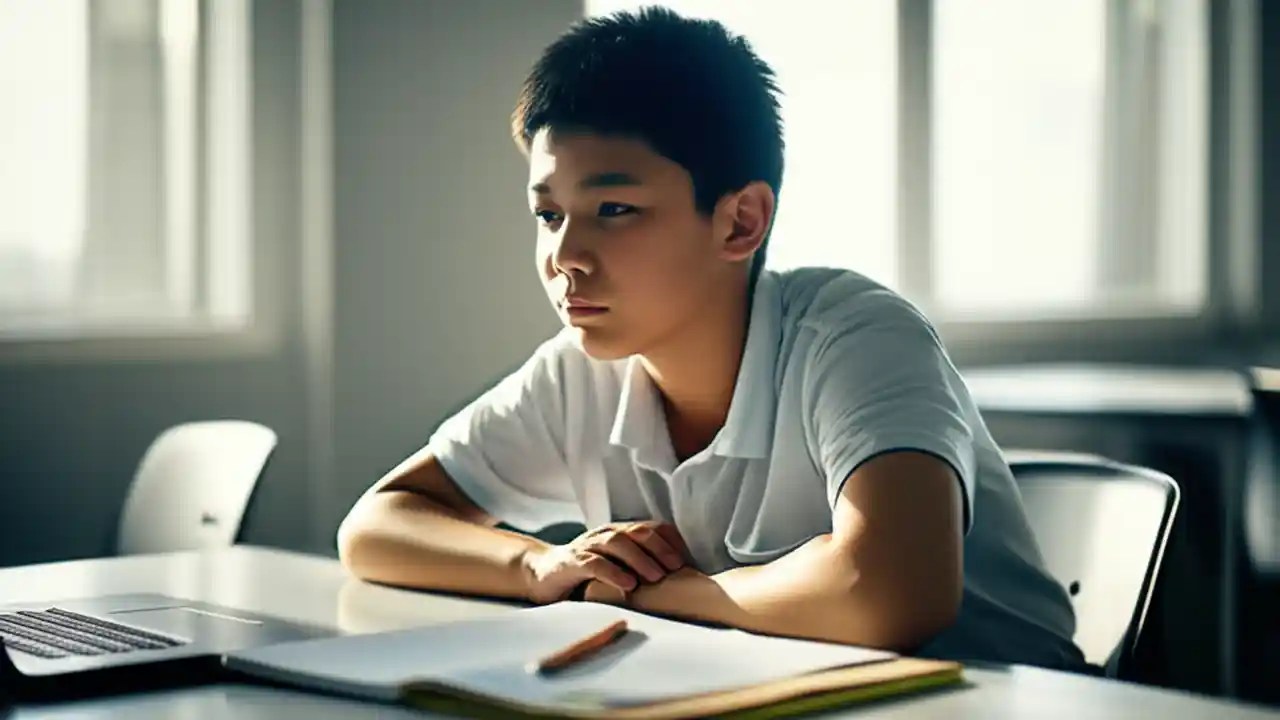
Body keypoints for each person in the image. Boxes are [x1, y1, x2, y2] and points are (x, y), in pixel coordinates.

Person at [337, 7, 1084, 669]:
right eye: (549, 214)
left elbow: (890, 594)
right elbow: (377, 525)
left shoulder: (854, 336)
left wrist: (670, 594)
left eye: (615, 209)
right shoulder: (579, 373)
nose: (564, 256)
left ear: (740, 222)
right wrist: (539, 565)